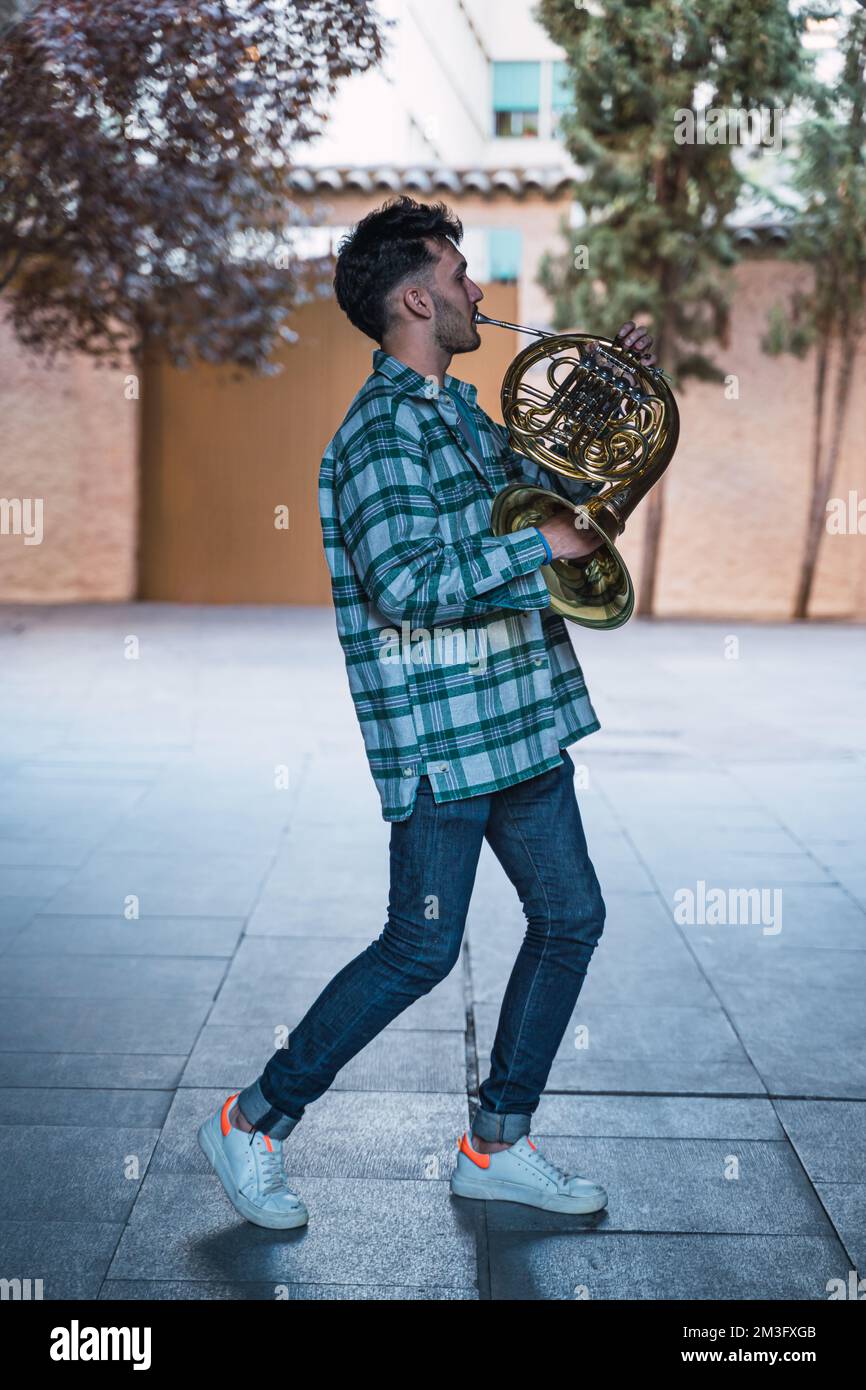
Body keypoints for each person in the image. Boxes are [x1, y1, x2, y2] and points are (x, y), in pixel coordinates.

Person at [198, 196, 656, 1228]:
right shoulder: (378, 434)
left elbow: (535, 489)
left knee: (569, 918)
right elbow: (406, 578)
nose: (475, 290)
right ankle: (251, 1119)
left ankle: (494, 1145)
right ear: (415, 296)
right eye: (457, 274)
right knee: (418, 948)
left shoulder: (454, 410)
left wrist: (607, 386)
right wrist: (544, 549)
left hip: (515, 719)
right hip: (444, 737)